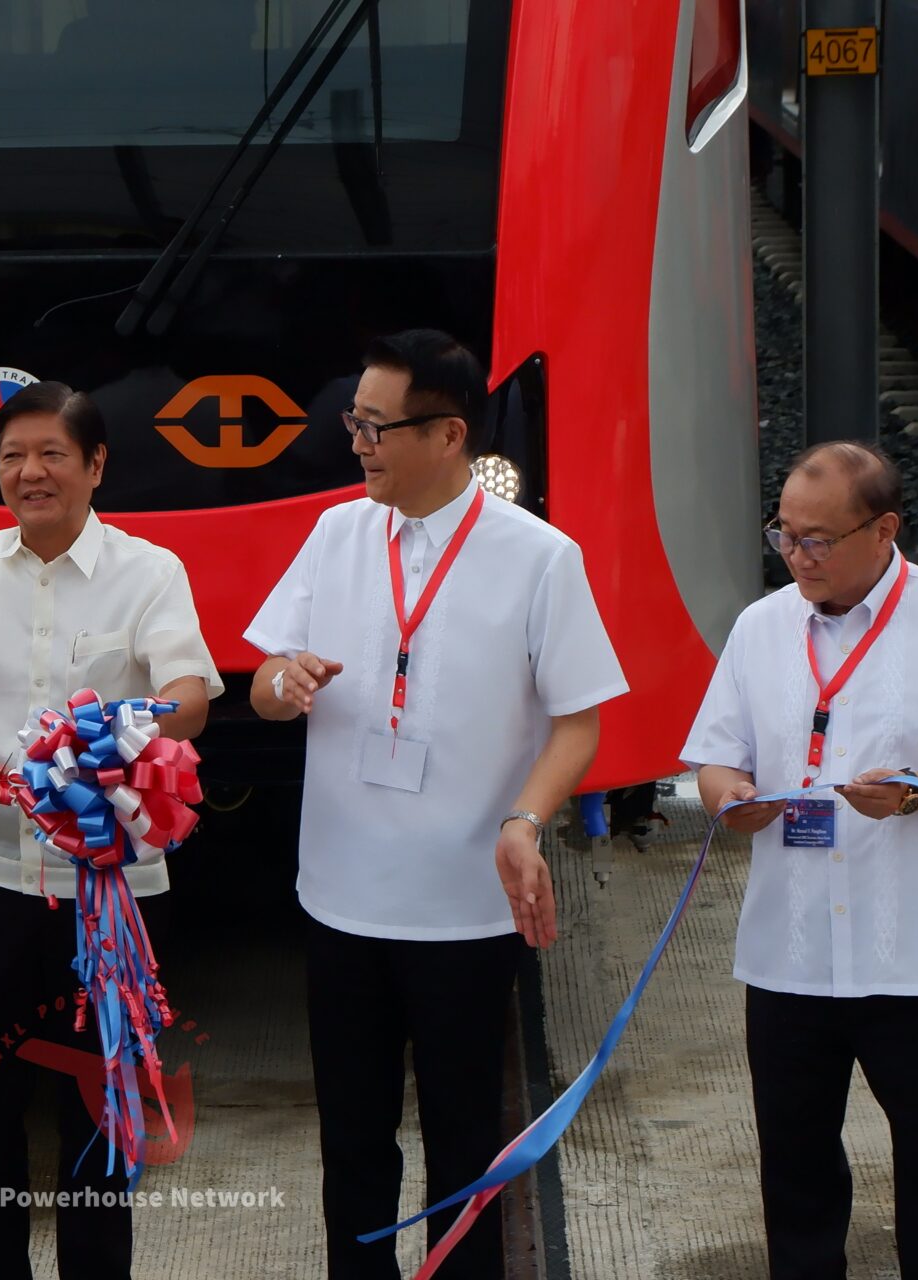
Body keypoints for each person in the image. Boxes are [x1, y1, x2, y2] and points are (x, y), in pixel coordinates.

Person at [244, 330, 626, 1278]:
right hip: (342, 898)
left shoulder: (538, 557)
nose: (360, 443)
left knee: (466, 1147)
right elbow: (258, 677)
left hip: (464, 907)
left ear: (450, 434)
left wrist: (524, 819)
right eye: (355, 422)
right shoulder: (336, 532)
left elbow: (580, 722)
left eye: (379, 426)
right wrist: (281, 681)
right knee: (353, 1142)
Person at [0, 381, 221, 1280]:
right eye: (11, 459)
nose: (30, 473)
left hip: (110, 895)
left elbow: (191, 696)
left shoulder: (150, 573)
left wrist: (127, 727)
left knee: (100, 1116)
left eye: (51, 455)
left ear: (96, 465)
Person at [681, 441, 918, 1279]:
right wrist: (729, 798)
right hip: (792, 955)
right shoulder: (761, 626)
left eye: (819, 539)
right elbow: (711, 757)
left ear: (884, 529)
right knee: (797, 1175)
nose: (797, 556)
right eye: (786, 534)